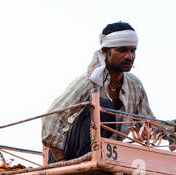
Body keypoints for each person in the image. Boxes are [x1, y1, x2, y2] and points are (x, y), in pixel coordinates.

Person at [42, 22, 153, 162]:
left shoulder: (135, 86)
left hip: (109, 155)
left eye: (133, 50)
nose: (129, 56)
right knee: (103, 106)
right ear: (105, 51)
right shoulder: (88, 82)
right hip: (69, 155)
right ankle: (86, 160)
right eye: (122, 50)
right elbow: (51, 118)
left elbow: (149, 122)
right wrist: (62, 161)